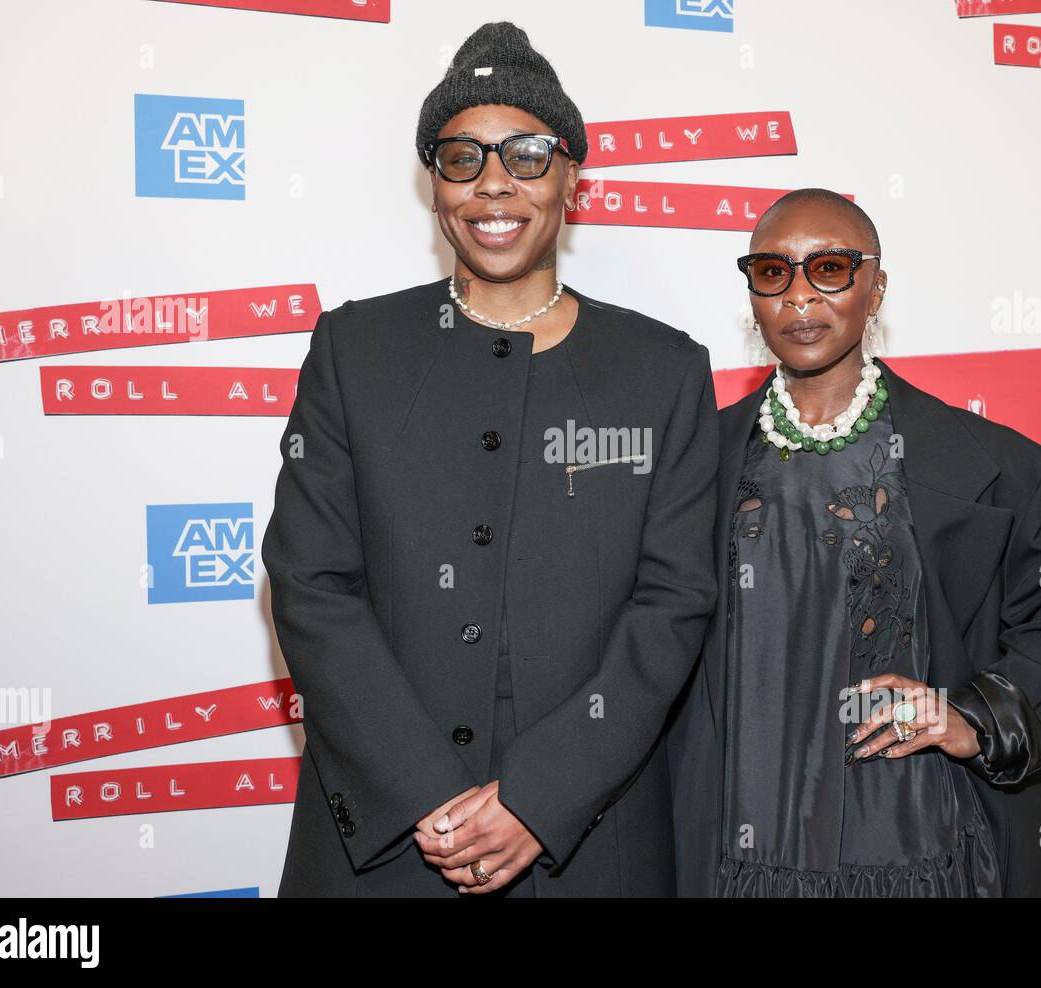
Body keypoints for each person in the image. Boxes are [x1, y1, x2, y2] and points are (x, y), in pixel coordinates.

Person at [261, 21, 718, 897]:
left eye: (527, 153)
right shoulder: (357, 349)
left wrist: (541, 799)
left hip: (589, 842)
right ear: (432, 183)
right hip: (389, 844)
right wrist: (428, 793)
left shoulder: (662, 371)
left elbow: (675, 605)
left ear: (572, 177)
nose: (494, 183)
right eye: (461, 157)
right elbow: (311, 584)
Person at [667, 188, 1041, 897]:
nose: (799, 298)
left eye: (830, 268)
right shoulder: (697, 462)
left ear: (876, 287)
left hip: (912, 839)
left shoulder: (983, 461)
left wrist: (975, 714)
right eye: (772, 272)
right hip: (739, 842)